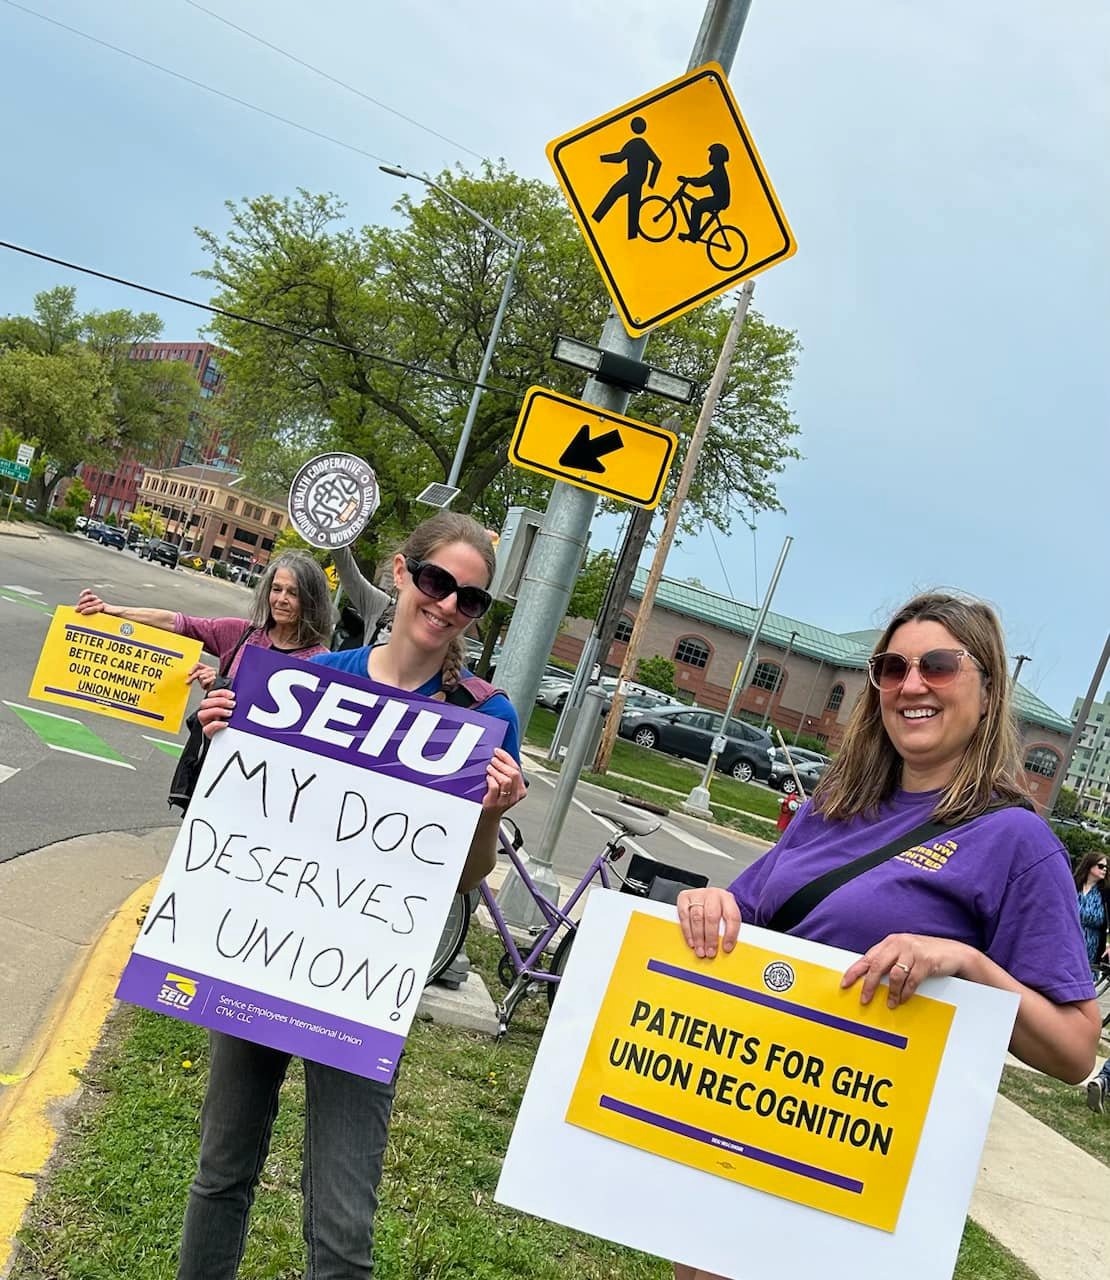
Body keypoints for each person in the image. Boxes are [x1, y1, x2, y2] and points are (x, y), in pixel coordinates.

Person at [674, 591, 1099, 1280]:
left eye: (940, 666)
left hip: (856, 1149)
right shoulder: (833, 805)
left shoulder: (1017, 840)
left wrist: (966, 963)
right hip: (744, 1105)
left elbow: (1076, 1049)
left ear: (989, 692)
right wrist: (711, 903)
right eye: (892, 668)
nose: (911, 685)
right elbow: (748, 910)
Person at [177, 512, 525, 1279]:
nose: (447, 604)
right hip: (263, 952)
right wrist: (220, 734)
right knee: (220, 1173)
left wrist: (490, 815)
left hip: (365, 980)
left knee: (342, 1230)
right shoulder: (310, 679)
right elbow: (241, 815)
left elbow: (466, 877)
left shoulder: (484, 716)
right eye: (436, 581)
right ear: (401, 572)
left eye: (470, 599)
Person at [75, 550, 335, 686]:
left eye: (293, 593)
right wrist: (112, 611)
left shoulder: (324, 662)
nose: (281, 599)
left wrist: (221, 686)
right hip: (212, 761)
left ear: (311, 601)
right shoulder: (242, 634)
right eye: (276, 589)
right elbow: (179, 623)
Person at [1074, 850, 1110, 1112]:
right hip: (1066, 946)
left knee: (1084, 997)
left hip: (1089, 951)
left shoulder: (1105, 895)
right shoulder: (1072, 886)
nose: (1104, 870)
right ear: (1089, 866)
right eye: (1101, 865)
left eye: (1106, 867)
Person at [592, 115, 662, 240]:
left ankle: (597, 217)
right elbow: (657, 163)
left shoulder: (634, 144)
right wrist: (650, 182)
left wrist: (601, 158)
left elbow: (620, 158)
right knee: (633, 207)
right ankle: (632, 236)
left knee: (614, 192)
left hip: (632, 177)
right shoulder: (643, 144)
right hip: (640, 179)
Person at [677, 142, 731, 243]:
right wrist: (689, 180)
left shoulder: (717, 172)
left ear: (717, 157)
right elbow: (701, 181)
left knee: (696, 207)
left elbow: (701, 182)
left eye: (712, 154)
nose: (710, 157)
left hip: (720, 201)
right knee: (698, 205)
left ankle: (693, 235)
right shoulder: (718, 170)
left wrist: (687, 180)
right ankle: (694, 233)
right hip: (720, 199)